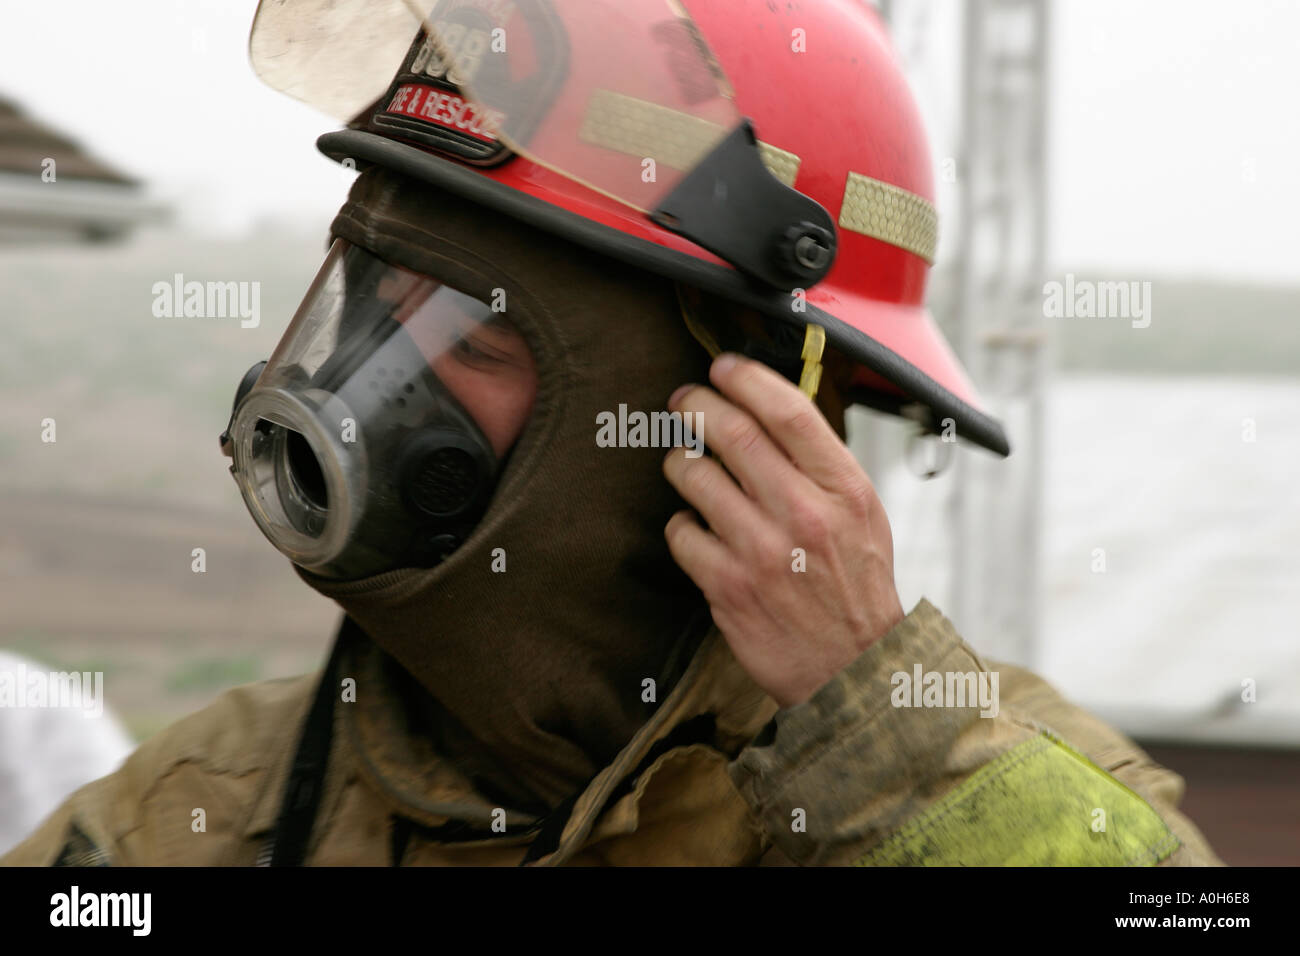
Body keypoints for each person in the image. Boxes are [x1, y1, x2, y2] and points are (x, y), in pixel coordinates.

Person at [2, 0, 1221, 866]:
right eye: (372, 307)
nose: (356, 389)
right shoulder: (190, 818)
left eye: (470, 338)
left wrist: (878, 742)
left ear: (743, 418)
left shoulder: (982, 777)